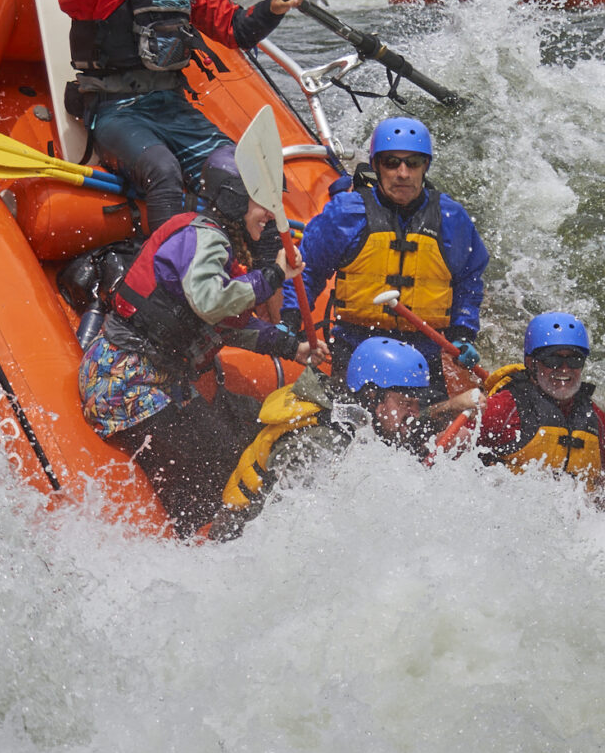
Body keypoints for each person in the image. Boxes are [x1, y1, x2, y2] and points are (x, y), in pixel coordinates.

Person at [37, 0, 306, 233]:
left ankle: (258, 260)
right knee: (163, 171)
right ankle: (165, 264)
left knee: (242, 173)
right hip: (115, 110)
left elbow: (235, 30)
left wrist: (272, 9)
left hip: (172, 106)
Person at [77, 145, 327, 537]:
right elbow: (212, 302)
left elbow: (227, 323)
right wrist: (274, 276)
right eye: (263, 202)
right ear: (234, 199)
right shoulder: (203, 237)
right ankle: (200, 541)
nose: (271, 212)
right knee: (223, 460)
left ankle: (197, 532)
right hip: (125, 382)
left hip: (154, 380)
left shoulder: (216, 244)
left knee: (239, 442)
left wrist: (291, 348)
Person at [278, 116, 489, 403]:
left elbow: (469, 280)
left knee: (425, 425)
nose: (403, 173)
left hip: (423, 354)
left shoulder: (451, 219)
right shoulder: (346, 214)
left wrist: (463, 332)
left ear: (425, 166)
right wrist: (290, 320)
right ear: (376, 166)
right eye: (391, 163)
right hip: (355, 346)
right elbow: (307, 271)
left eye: (413, 163)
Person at [212, 335, 434, 538]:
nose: (414, 414)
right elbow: (289, 529)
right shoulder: (321, 442)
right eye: (406, 403)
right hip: (238, 540)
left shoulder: (346, 415)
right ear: (371, 396)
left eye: (417, 404)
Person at [477, 311, 605, 492]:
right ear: (531, 362)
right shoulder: (501, 410)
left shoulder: (600, 424)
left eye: (575, 360)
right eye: (553, 359)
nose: (565, 369)